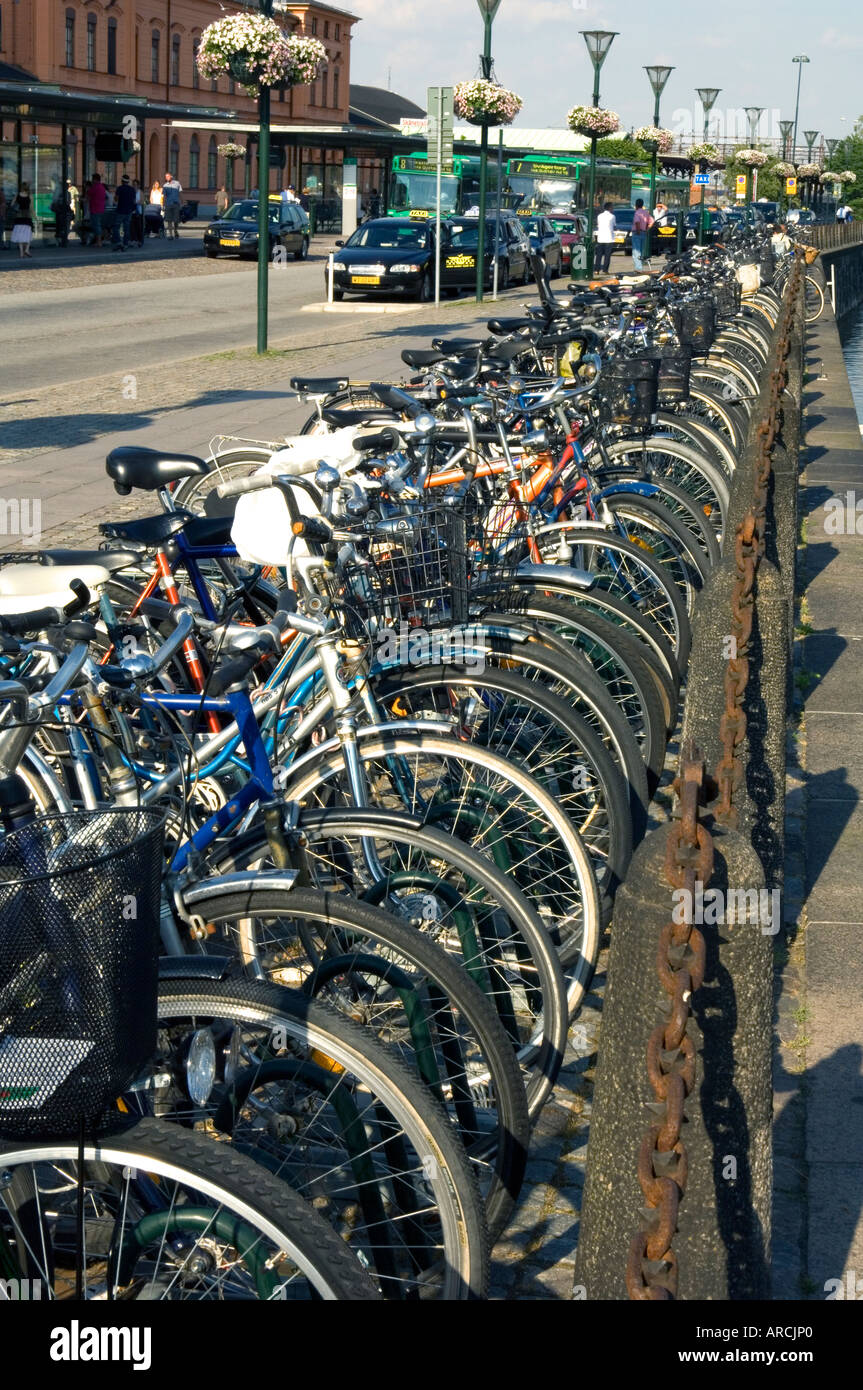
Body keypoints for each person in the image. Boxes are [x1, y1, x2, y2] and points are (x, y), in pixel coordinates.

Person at [112, 173, 137, 251]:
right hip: (129, 211)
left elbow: (116, 199)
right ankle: (125, 243)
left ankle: (119, 242)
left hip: (120, 210)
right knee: (127, 228)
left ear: (122, 181)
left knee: (116, 227)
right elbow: (134, 201)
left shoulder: (120, 188)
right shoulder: (132, 189)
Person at [10, 183, 34, 259]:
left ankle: (21, 253)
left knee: (20, 234)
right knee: (28, 234)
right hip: (27, 216)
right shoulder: (30, 196)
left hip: (19, 216)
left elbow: (12, 204)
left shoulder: (17, 195)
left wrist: (18, 204)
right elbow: (31, 209)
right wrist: (36, 217)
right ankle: (26, 250)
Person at [631, 197, 653, 272]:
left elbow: (637, 222)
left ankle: (638, 268)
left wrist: (638, 231)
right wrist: (647, 229)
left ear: (636, 205)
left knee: (636, 251)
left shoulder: (637, 213)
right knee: (641, 250)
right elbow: (651, 221)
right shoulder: (646, 212)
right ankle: (640, 265)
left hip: (637, 232)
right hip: (644, 232)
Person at [594, 201, 616, 274]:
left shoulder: (599, 216)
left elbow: (598, 224)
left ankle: (597, 270)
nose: (613, 208)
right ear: (610, 208)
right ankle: (605, 270)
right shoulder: (612, 216)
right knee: (607, 255)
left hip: (600, 237)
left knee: (599, 255)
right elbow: (614, 226)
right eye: (612, 207)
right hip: (609, 238)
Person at [161, 170, 183, 239]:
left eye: (168, 176)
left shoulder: (177, 183)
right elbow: (164, 196)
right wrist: (163, 205)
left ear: (171, 176)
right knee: (169, 220)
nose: (166, 178)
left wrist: (182, 202)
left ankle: (175, 230)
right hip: (168, 204)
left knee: (176, 220)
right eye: (166, 177)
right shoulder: (165, 186)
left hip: (176, 204)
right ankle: (170, 235)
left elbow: (180, 193)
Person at [88, 171, 107, 247]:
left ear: (95, 180)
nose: (92, 181)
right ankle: (99, 241)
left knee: (96, 225)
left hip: (95, 209)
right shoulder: (102, 187)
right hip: (101, 209)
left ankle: (99, 242)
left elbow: (88, 194)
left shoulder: (95, 187)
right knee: (98, 225)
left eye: (93, 179)